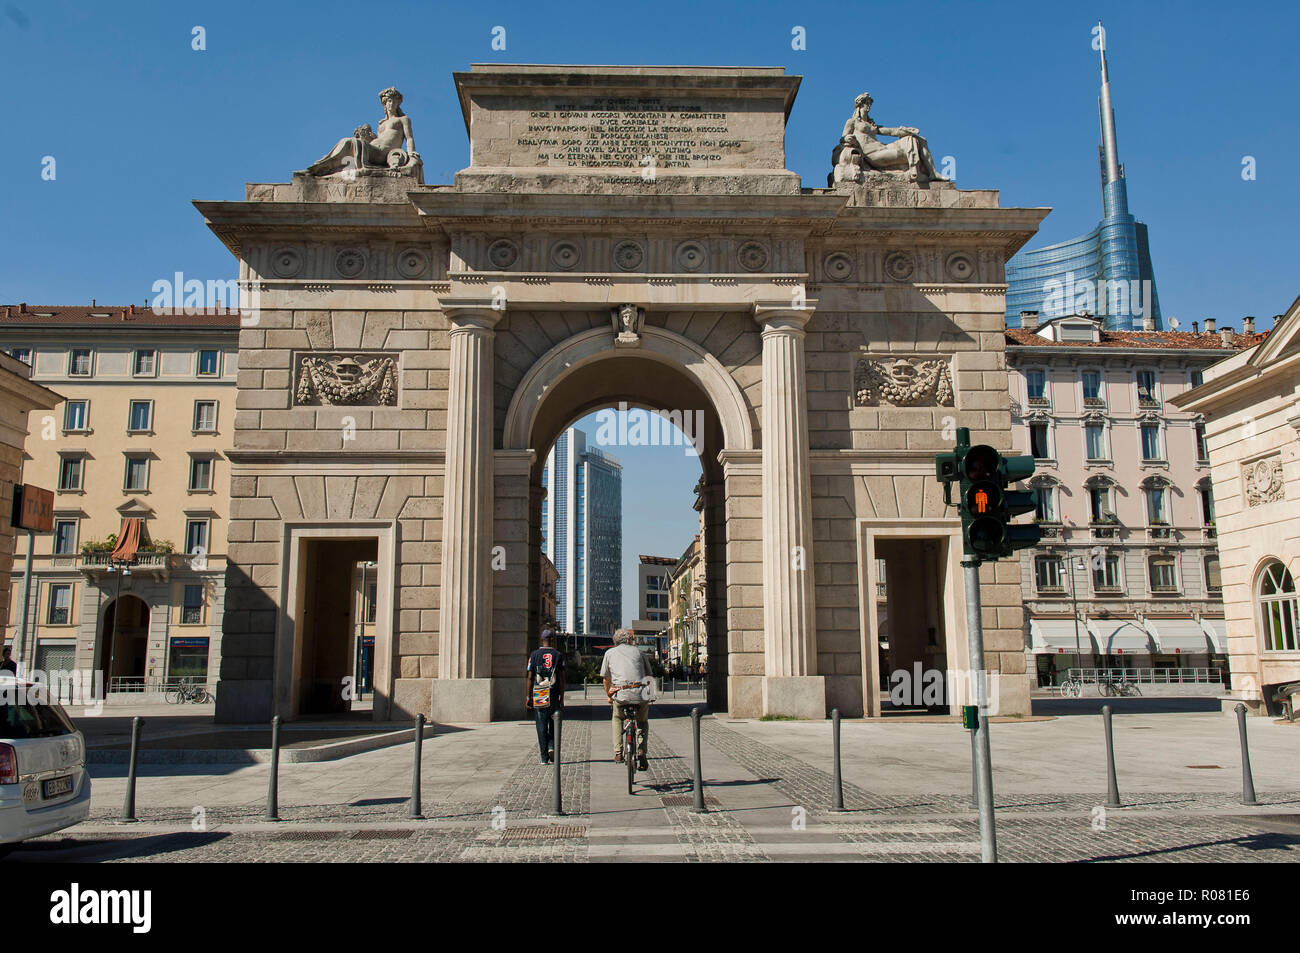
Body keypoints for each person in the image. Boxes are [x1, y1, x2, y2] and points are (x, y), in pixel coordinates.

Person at [600, 629, 650, 769]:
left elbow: (606, 679)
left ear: (615, 641)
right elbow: (649, 676)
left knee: (617, 718)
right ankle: (641, 750)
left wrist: (609, 696)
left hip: (620, 694)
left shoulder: (609, 653)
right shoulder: (640, 652)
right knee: (642, 721)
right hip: (640, 694)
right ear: (629, 640)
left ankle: (618, 752)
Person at [525, 630, 564, 764]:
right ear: (553, 640)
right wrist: (562, 697)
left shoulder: (534, 655)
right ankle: (551, 746)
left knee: (541, 724)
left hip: (540, 693)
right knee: (554, 721)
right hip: (553, 692)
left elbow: (530, 677)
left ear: (541, 640)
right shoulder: (558, 655)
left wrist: (528, 696)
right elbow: (561, 678)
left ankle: (543, 757)